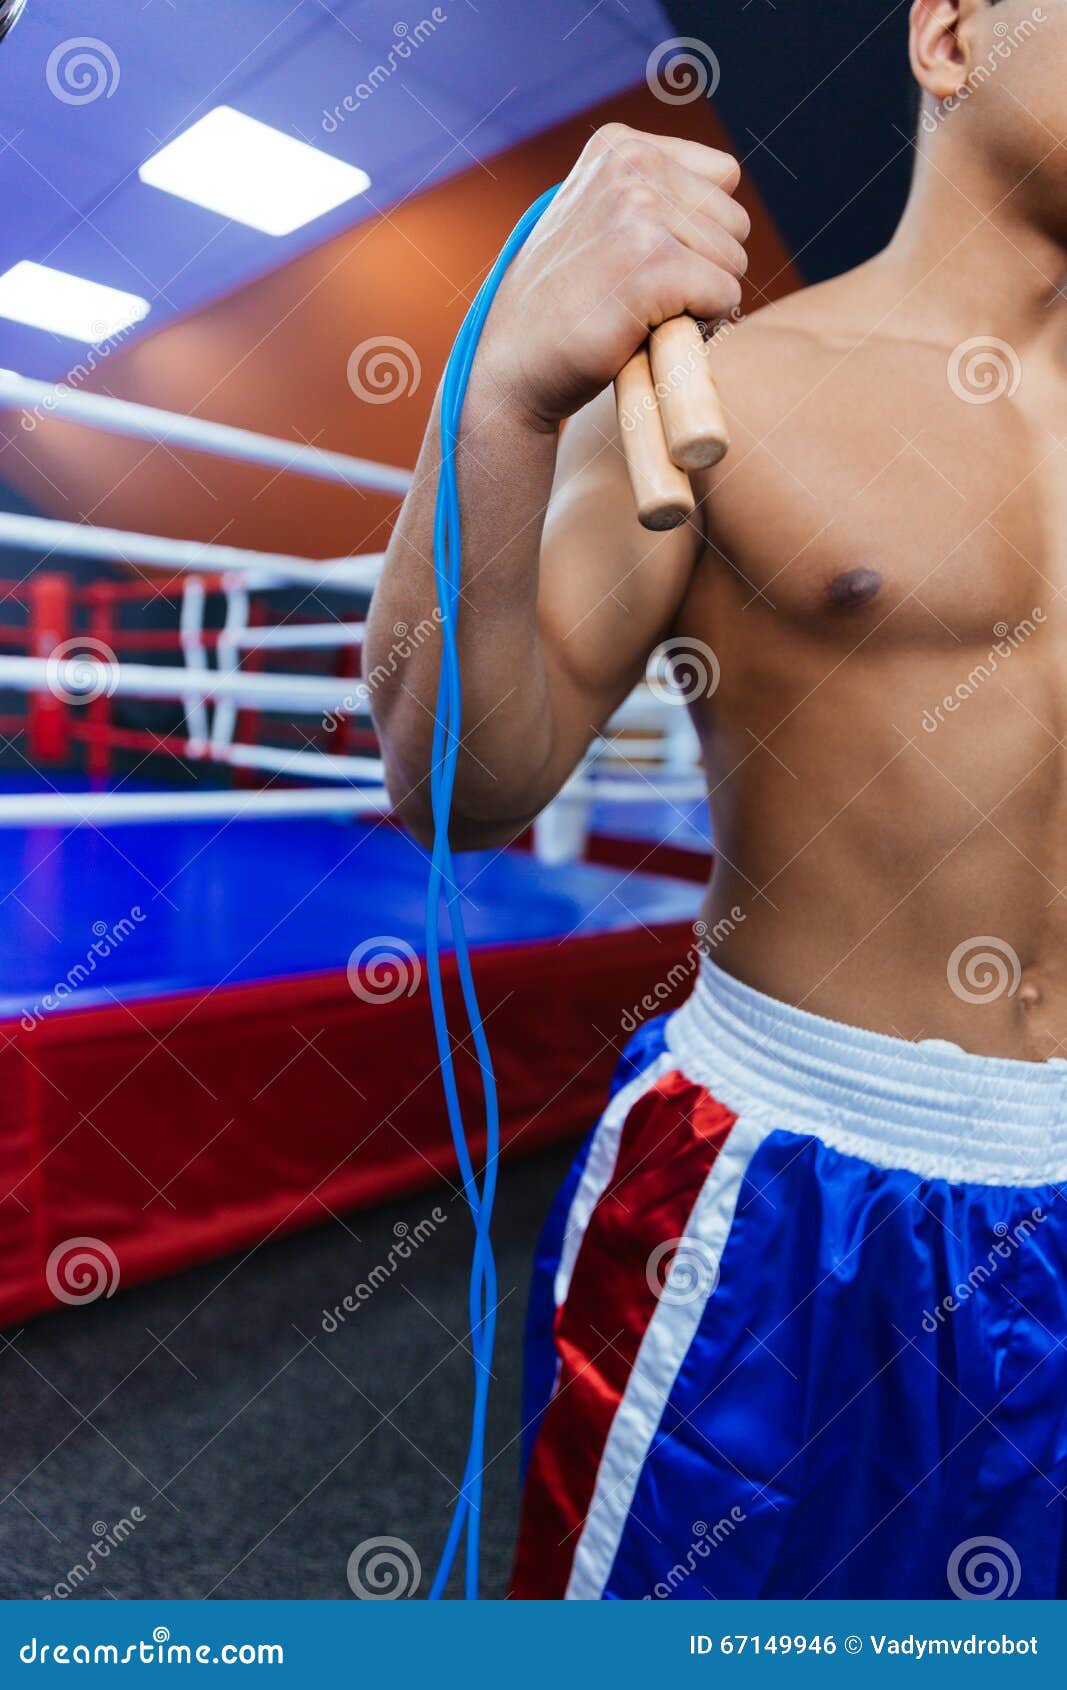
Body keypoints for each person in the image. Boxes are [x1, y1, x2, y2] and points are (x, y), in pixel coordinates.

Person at [366, 0, 1067, 1598]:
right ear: (950, 36)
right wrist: (495, 398)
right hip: (777, 1209)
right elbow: (463, 779)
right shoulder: (723, 387)